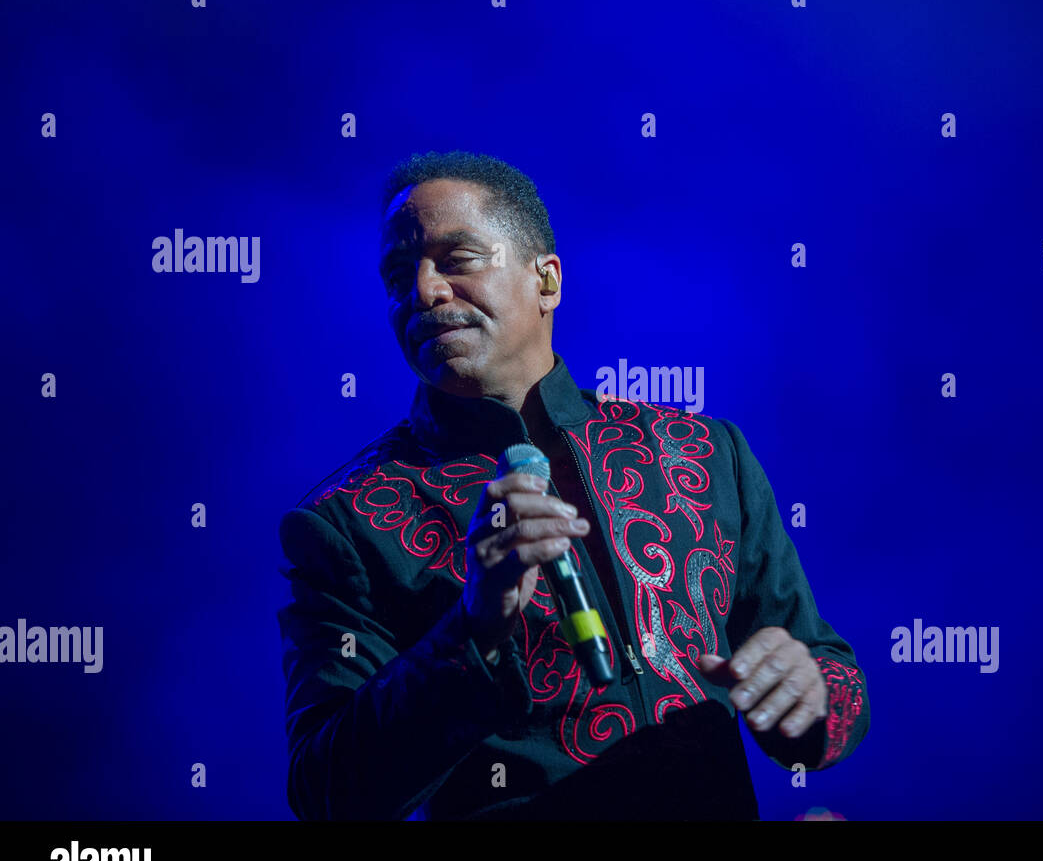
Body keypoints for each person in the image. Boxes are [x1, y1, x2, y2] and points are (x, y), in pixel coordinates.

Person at [275, 150, 869, 820]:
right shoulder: (347, 520)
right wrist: (473, 624)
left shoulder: (701, 452)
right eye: (396, 273)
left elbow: (830, 672)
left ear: (546, 280)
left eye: (457, 258)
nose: (425, 291)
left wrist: (808, 693)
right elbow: (324, 789)